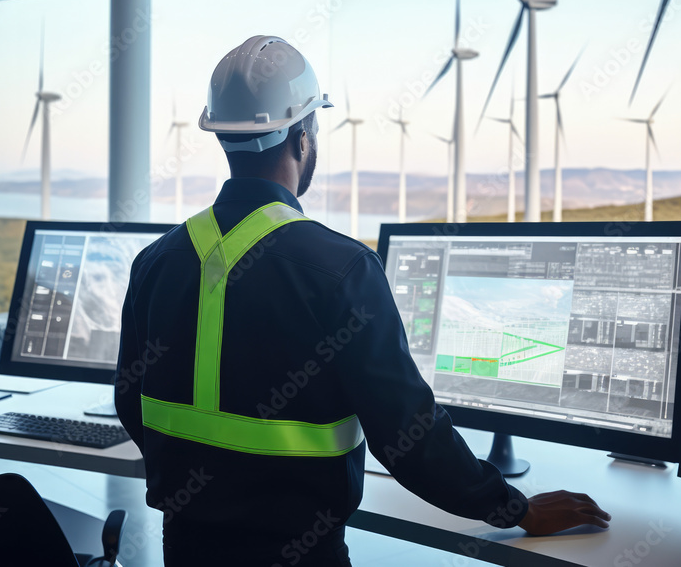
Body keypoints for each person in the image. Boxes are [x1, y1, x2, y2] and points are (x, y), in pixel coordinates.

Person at [115, 35, 610, 566]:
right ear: (301, 137)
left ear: (222, 137)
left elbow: (131, 401)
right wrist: (512, 506)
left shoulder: (156, 260)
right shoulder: (341, 269)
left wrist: (209, 486)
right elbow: (409, 436)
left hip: (184, 548)